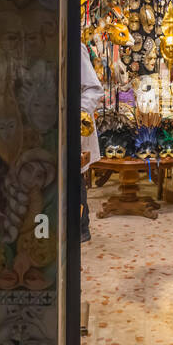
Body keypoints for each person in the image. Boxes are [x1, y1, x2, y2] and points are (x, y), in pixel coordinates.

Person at [80, 42, 105, 243]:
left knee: (75, 178)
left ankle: (80, 227)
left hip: (73, 128)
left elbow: (94, 89)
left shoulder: (74, 47)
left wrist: (78, 113)